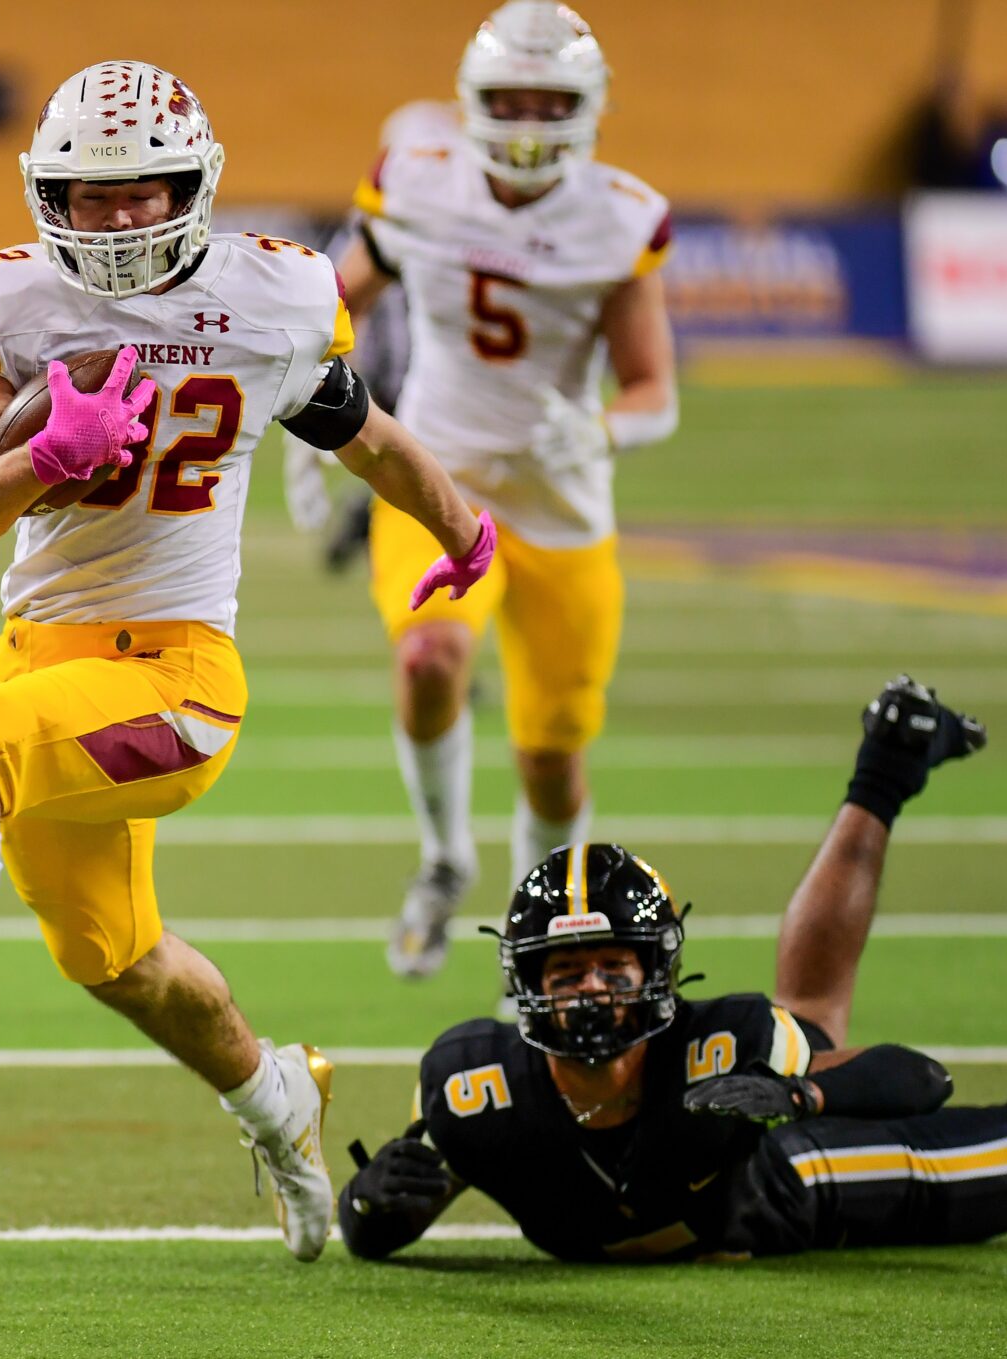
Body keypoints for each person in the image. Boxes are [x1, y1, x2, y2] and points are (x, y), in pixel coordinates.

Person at [0, 60, 494, 1263]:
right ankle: (277, 1099)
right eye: (86, 196)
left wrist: (462, 528)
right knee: (119, 961)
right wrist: (47, 455)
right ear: (45, 193)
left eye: (140, 194)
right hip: (44, 666)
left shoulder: (274, 296)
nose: (113, 219)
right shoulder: (10, 304)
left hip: (177, 677)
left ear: (189, 189)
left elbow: (360, 432)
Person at [337, 677, 1007, 1262]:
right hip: (733, 1185)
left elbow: (919, 1079)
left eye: (611, 965)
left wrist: (801, 1096)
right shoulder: (473, 1083)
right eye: (566, 973)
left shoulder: (716, 1043)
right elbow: (383, 1215)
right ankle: (890, 760)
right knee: (808, 1015)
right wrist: (369, 1208)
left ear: (659, 971)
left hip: (796, 1181)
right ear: (527, 983)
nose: (593, 988)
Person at [333, 4, 680, 979]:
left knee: (550, 757)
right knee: (428, 659)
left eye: (549, 101)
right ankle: (443, 857)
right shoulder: (420, 183)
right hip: (434, 474)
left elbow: (653, 390)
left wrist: (602, 427)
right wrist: (307, 430)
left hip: (562, 505)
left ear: (589, 106)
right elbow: (325, 306)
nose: (527, 121)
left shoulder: (618, 215)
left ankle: (540, 928)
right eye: (509, 99)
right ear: (470, 102)